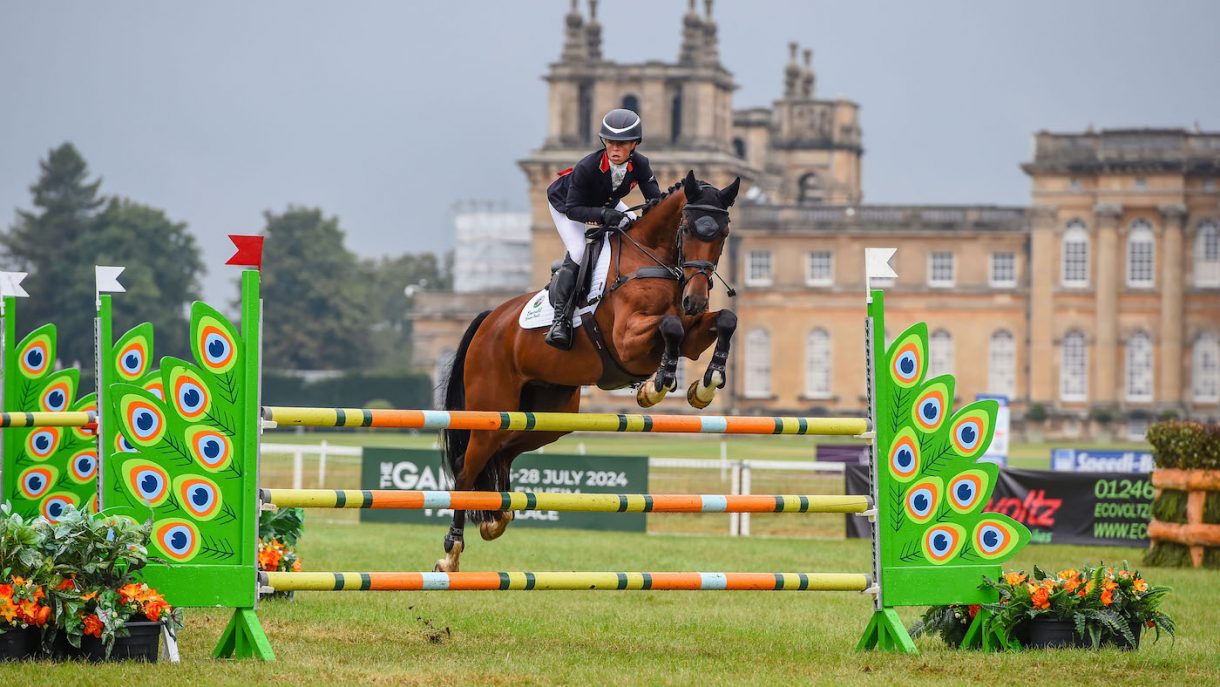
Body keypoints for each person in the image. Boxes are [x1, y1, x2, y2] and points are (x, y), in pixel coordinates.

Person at [543, 108, 663, 349]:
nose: (615, 149)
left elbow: (656, 201)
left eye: (622, 144)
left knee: (634, 228)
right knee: (578, 251)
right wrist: (603, 215)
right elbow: (574, 210)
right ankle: (560, 320)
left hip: (605, 201)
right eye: (610, 143)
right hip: (567, 205)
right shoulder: (587, 166)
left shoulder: (641, 164)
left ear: (634, 145)